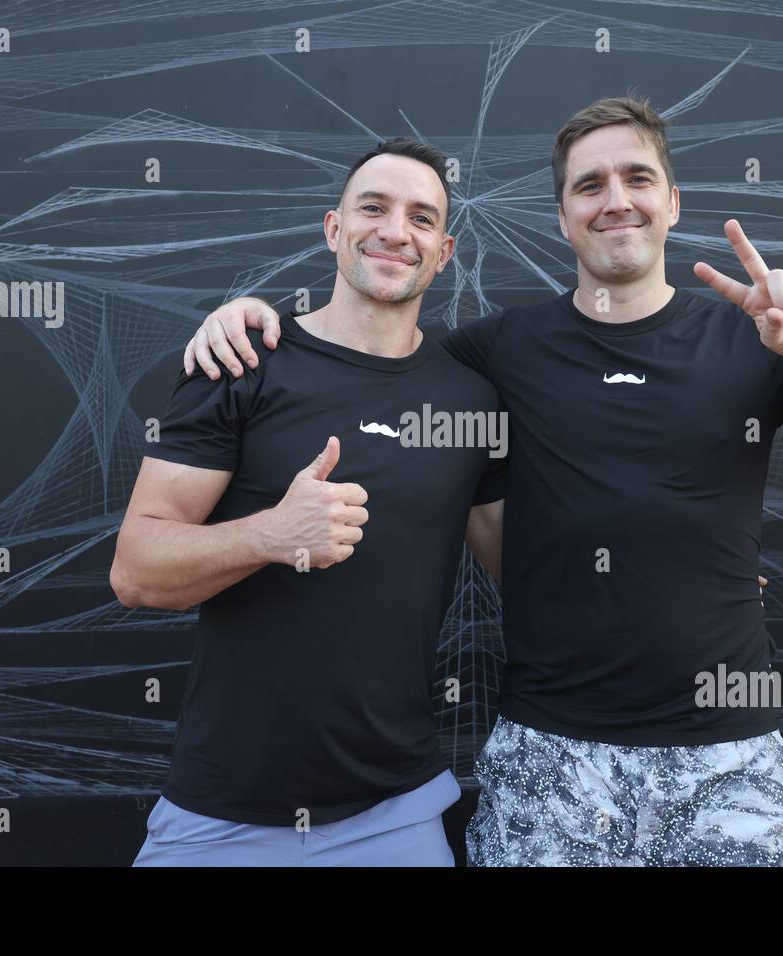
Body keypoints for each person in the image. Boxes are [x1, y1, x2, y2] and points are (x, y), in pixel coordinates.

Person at [182, 95, 783, 866]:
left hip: (732, 760)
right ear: (563, 217)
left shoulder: (765, 337)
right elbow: (368, 351)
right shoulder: (494, 353)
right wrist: (253, 322)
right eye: (590, 185)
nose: (615, 199)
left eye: (637, 178)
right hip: (551, 761)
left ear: (673, 202)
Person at [110, 138, 509, 866]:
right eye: (374, 208)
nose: (396, 230)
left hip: (396, 814)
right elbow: (135, 572)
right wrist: (269, 535)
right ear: (334, 228)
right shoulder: (240, 362)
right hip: (220, 814)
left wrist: (690, 575)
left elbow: (530, 570)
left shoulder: (470, 401)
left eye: (422, 218)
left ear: (444, 251)